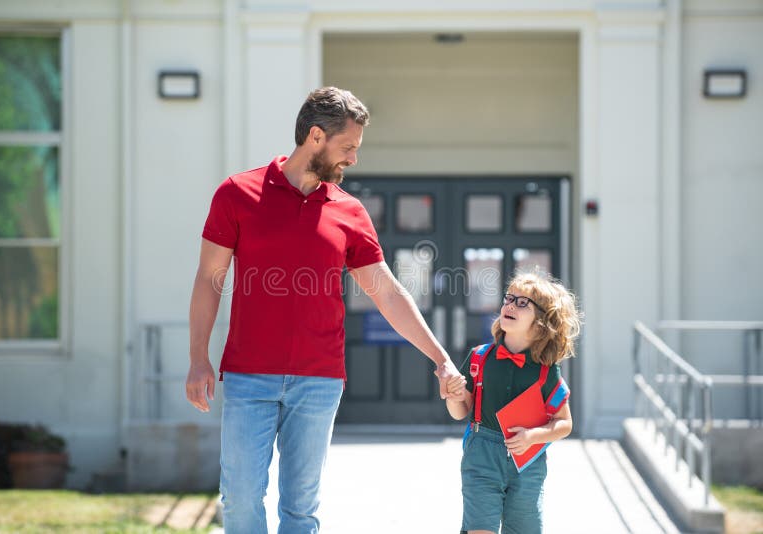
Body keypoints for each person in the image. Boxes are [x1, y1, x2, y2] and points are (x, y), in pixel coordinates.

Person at [185, 86, 463, 534]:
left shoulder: (349, 212)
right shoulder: (237, 194)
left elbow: (387, 292)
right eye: (348, 147)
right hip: (248, 376)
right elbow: (208, 278)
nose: (353, 159)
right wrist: (199, 357)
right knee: (238, 500)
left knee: (300, 510)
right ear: (316, 136)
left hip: (318, 381)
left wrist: (440, 356)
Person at [445, 271, 582, 534]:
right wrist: (455, 396)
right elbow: (459, 412)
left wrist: (533, 436)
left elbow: (565, 423)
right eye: (509, 298)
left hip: (527, 465)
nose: (510, 305)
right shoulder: (480, 358)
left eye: (522, 303)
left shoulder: (546, 371)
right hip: (481, 455)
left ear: (541, 321)